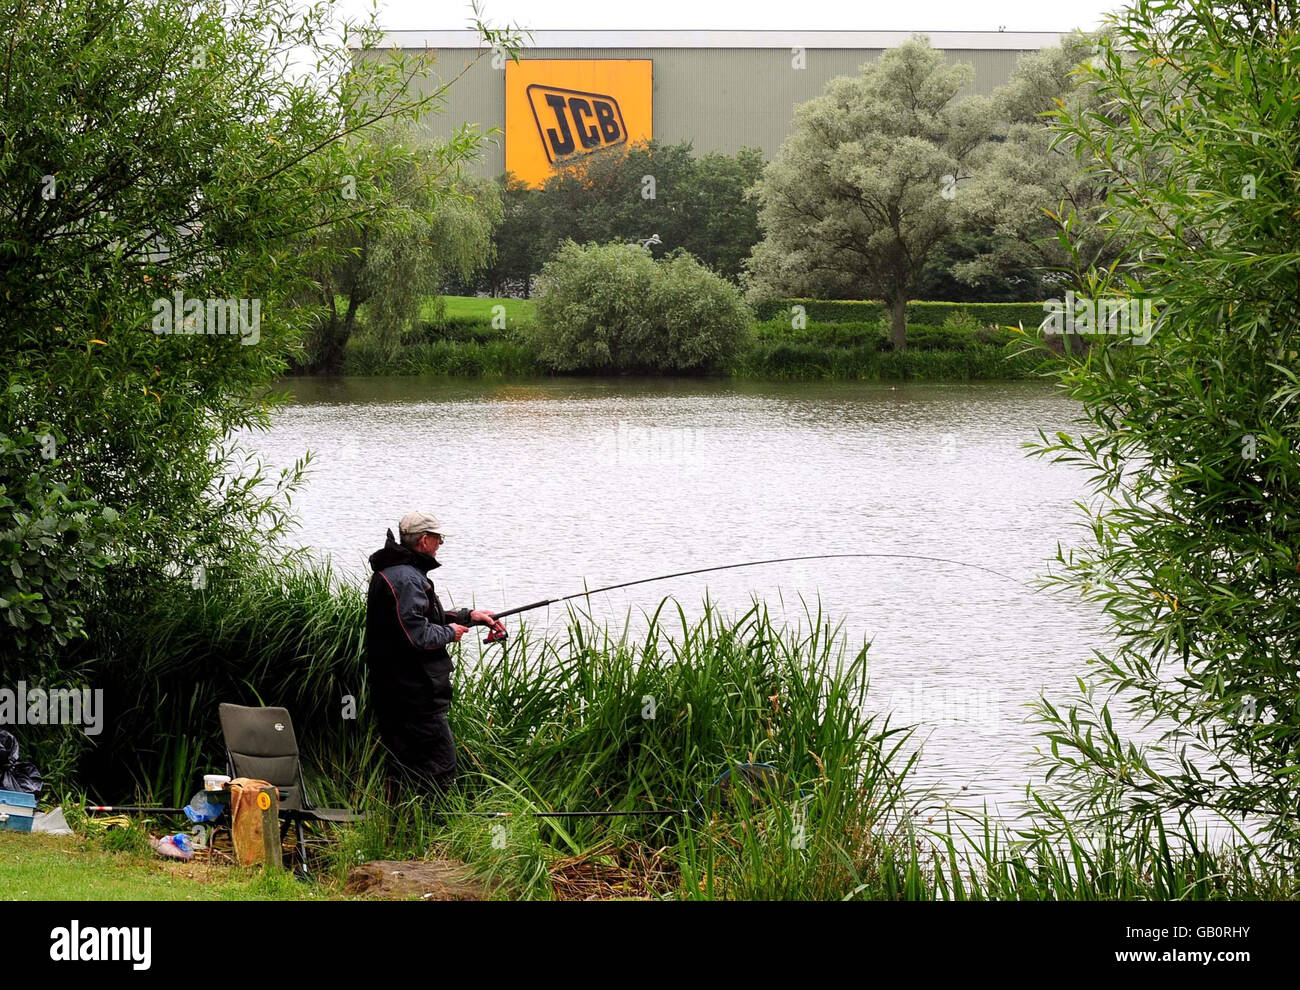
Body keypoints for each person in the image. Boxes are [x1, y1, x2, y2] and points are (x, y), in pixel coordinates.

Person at [364, 511, 505, 797]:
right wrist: (450, 633)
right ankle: (429, 832)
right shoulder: (407, 578)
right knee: (440, 764)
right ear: (424, 540)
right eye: (438, 537)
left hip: (395, 692)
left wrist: (469, 616)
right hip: (414, 695)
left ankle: (402, 830)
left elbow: (420, 618)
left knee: (405, 767)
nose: (441, 543)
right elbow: (417, 634)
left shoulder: (397, 573)